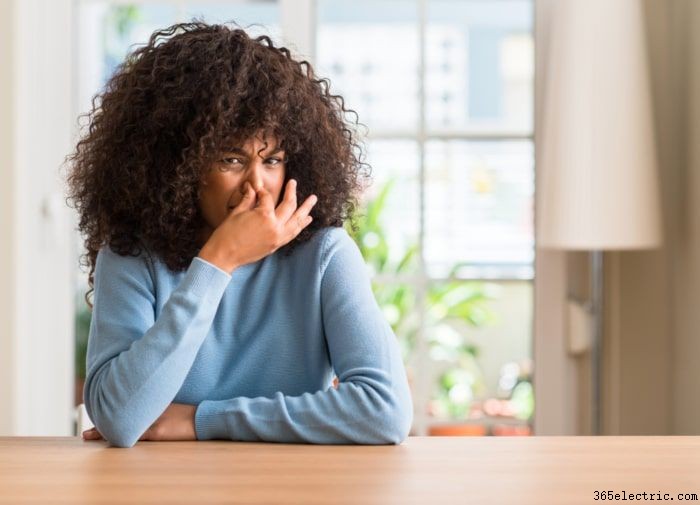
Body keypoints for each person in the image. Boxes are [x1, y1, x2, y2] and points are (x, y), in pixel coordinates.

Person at [65, 22, 413, 448]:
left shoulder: (325, 255)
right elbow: (121, 419)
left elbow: (385, 411)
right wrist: (217, 262)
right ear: (178, 167)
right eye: (230, 159)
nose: (258, 186)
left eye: (272, 160)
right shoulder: (132, 256)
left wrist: (199, 420)